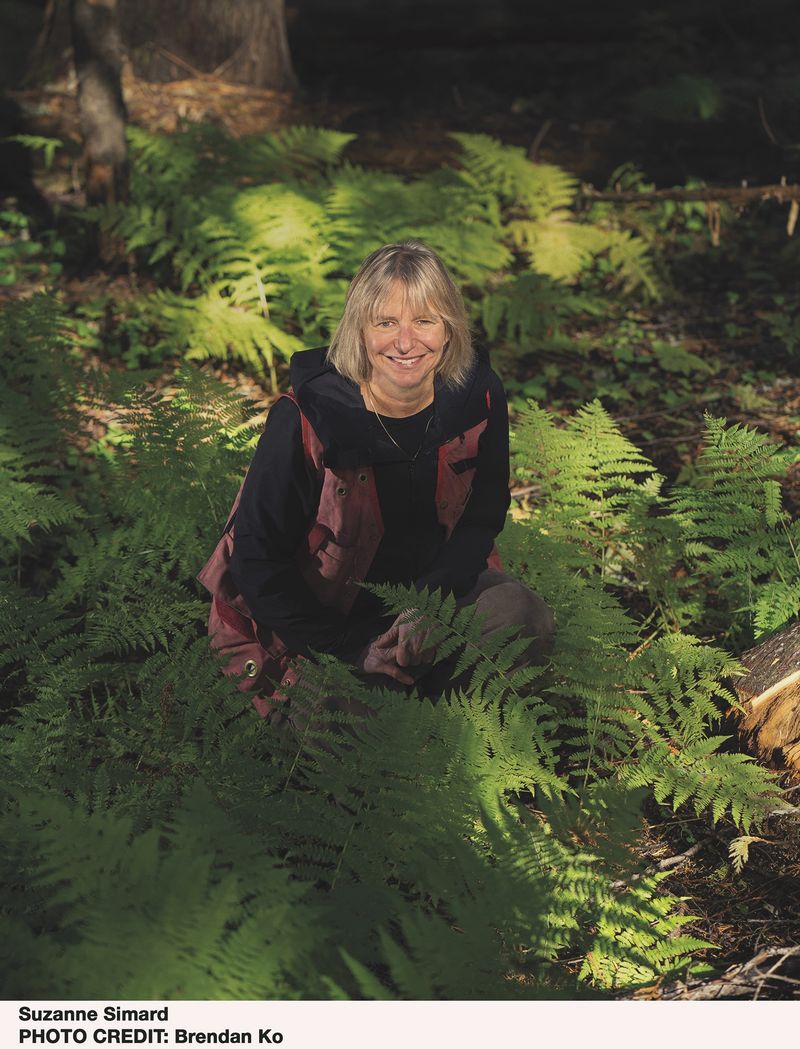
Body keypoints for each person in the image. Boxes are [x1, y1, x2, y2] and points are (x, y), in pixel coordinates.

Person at [200, 240, 553, 719]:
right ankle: (401, 729)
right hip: (320, 636)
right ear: (359, 330)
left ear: (449, 330)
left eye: (424, 321)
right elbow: (257, 564)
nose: (406, 343)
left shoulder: (477, 396)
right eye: (386, 322)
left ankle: (450, 730)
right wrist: (351, 649)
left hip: (421, 615)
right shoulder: (307, 418)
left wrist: (429, 605)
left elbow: (483, 515)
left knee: (523, 615)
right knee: (344, 727)